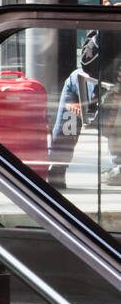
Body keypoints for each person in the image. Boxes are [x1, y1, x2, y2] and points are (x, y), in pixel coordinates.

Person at [47, 18, 121, 189]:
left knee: (74, 81)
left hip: (109, 100)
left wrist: (101, 25)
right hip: (111, 98)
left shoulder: (111, 22)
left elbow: (87, 63)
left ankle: (58, 164)